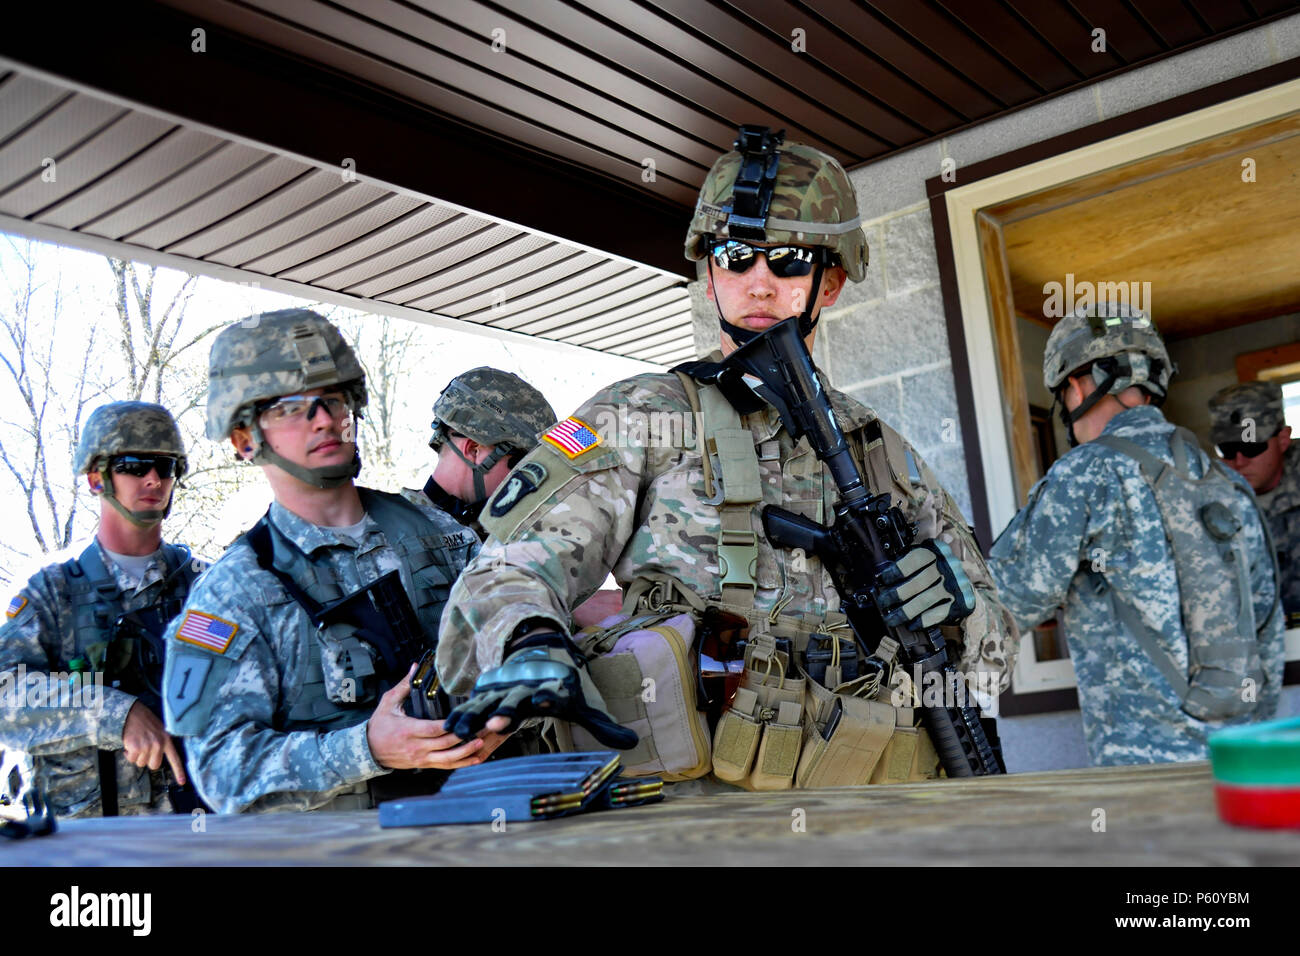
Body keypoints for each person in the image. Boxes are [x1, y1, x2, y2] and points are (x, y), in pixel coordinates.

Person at [434, 125, 1019, 789]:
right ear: (709, 275)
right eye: (737, 255)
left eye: (790, 259)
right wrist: (530, 641)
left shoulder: (883, 452)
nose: (759, 282)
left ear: (829, 283)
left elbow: (996, 667)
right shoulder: (644, 416)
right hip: (701, 819)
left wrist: (961, 609)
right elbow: (502, 572)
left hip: (872, 810)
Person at [161, 309, 510, 813]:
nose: (323, 418)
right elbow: (219, 769)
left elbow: (526, 642)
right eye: (289, 408)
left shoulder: (443, 536)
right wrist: (366, 749)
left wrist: (507, 713)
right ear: (244, 440)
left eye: (332, 399)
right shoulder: (236, 590)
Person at [988, 302, 1285, 766]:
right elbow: (1267, 628)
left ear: (1078, 384)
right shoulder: (1228, 484)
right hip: (1240, 761)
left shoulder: (1085, 473)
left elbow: (998, 606)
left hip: (1141, 777)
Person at [0, 401, 201, 818]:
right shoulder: (52, 593)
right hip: (86, 847)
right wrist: (114, 713)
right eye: (133, 465)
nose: (153, 479)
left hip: (198, 835)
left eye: (165, 467)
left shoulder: (208, 585)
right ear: (96, 479)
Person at [404, 367, 557, 541]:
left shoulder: (502, 537)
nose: (526, 479)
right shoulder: (393, 534)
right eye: (520, 463)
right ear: (474, 450)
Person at [1209, 381, 1300, 626]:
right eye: (1227, 449)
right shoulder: (1208, 494)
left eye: (1251, 446)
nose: (1239, 461)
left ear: (1283, 439)